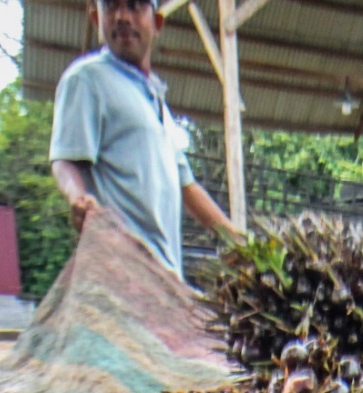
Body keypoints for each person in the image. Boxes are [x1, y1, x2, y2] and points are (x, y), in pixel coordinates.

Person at [49, 0, 241, 277]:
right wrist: (77, 196)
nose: (122, 17)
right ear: (96, 18)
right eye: (112, 6)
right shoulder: (87, 79)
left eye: (135, 6)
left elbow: (186, 185)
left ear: (157, 23)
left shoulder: (157, 102)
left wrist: (234, 238)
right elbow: (65, 159)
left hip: (164, 276)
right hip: (119, 271)